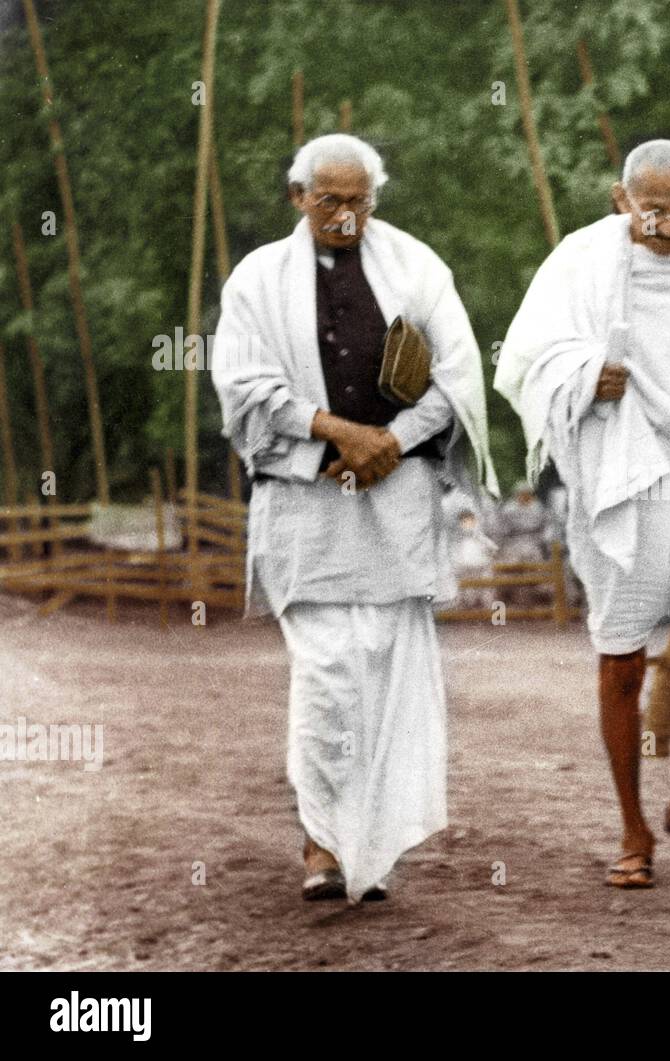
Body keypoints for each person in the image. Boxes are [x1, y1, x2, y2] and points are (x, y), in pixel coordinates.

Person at [211, 133, 497, 903]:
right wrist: (338, 433)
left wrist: (391, 441)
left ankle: (371, 844)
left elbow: (458, 377)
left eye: (360, 200)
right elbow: (244, 385)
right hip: (306, 503)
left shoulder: (417, 267)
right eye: (330, 199)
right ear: (298, 196)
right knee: (329, 672)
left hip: (395, 500)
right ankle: (322, 841)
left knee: (386, 670)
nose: (345, 215)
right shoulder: (258, 280)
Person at [495, 139, 670, 888]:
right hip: (619, 474)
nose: (668, 226)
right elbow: (526, 361)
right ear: (622, 200)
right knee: (620, 661)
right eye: (653, 210)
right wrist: (589, 376)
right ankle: (632, 826)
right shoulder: (580, 263)